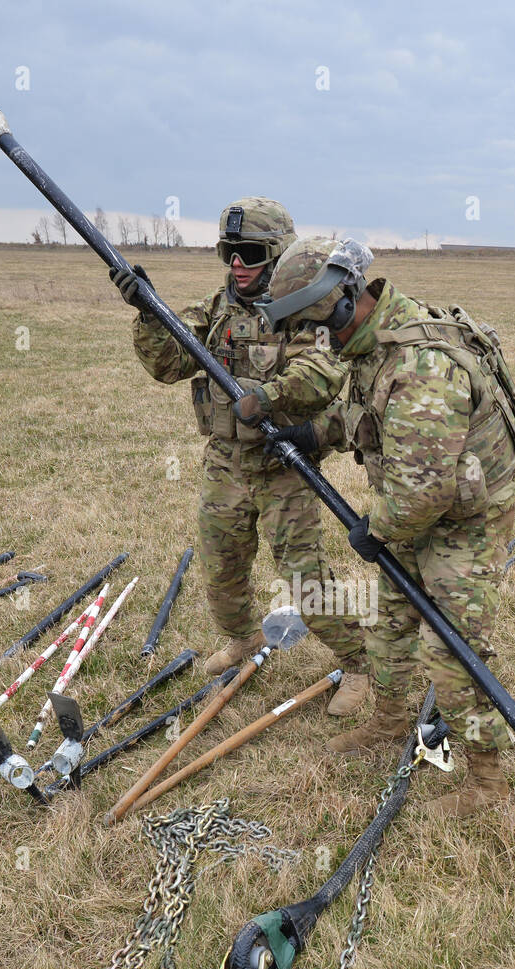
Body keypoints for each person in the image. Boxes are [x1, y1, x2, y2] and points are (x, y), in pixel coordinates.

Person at [257, 236, 515, 817]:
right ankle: (386, 722)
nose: (312, 344)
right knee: (389, 628)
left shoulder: (420, 367)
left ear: (342, 303)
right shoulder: (373, 342)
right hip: (417, 508)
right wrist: (312, 435)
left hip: (465, 521)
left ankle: (486, 781)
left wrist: (372, 529)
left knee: (450, 650)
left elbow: (423, 493)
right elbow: (366, 418)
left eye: (312, 329)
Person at [110, 200, 369, 716]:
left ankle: (360, 664)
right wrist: (148, 314)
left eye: (250, 253)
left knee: (303, 576)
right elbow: (167, 365)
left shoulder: (304, 309)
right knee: (220, 565)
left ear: (276, 257)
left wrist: (264, 396)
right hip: (225, 463)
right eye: (230, 252)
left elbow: (323, 374)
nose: (237, 264)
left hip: (283, 465)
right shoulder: (214, 310)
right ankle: (243, 640)